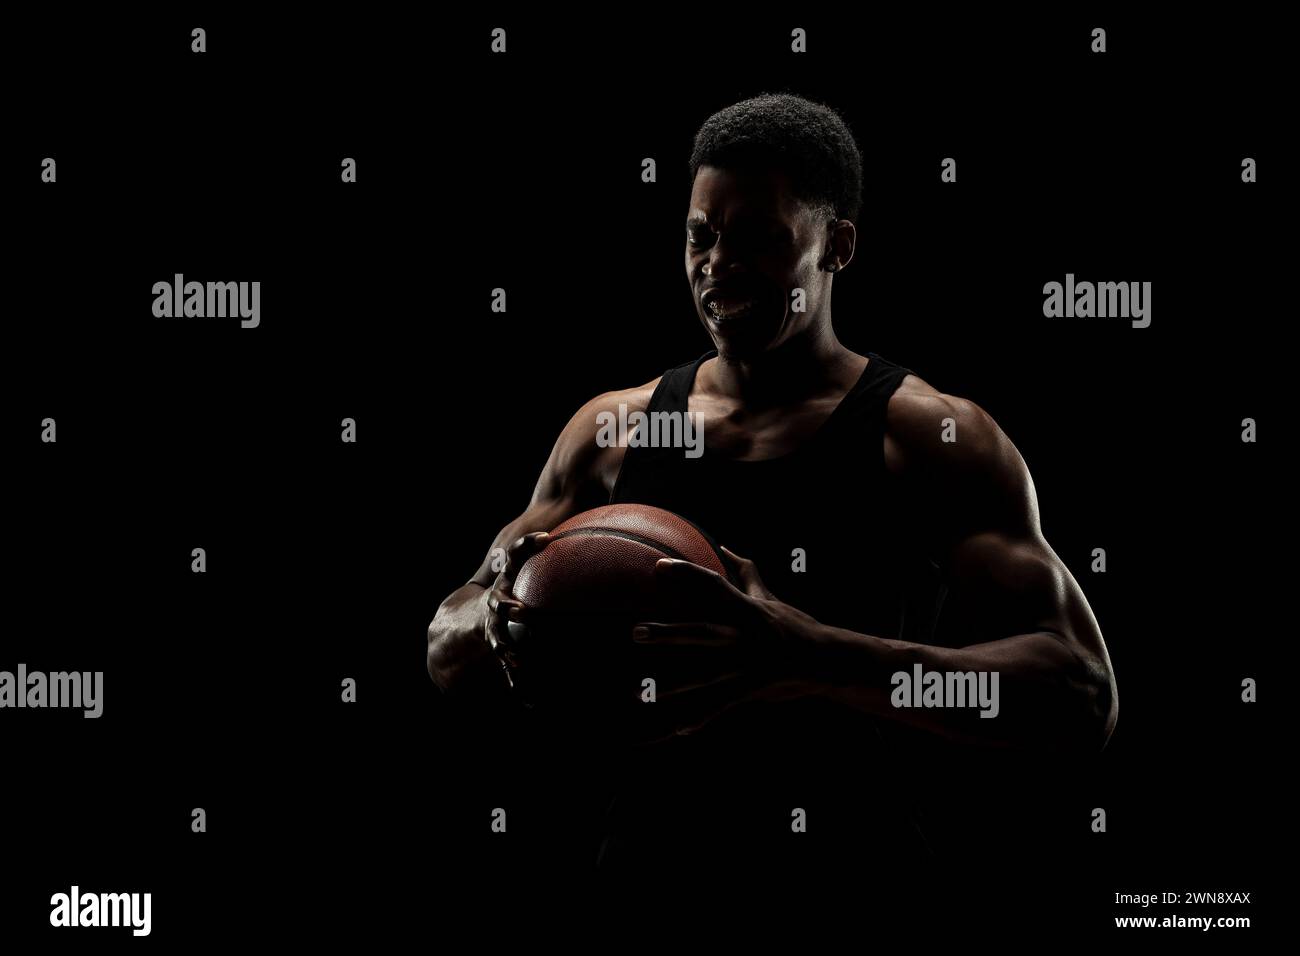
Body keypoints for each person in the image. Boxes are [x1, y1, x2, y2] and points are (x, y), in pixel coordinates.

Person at [427, 92, 1117, 887]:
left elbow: (1079, 692)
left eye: (757, 238)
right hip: (646, 871)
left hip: (859, 871)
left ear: (838, 246)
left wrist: (813, 655)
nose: (718, 264)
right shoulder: (615, 429)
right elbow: (446, 643)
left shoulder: (926, 436)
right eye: (700, 236)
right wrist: (499, 620)